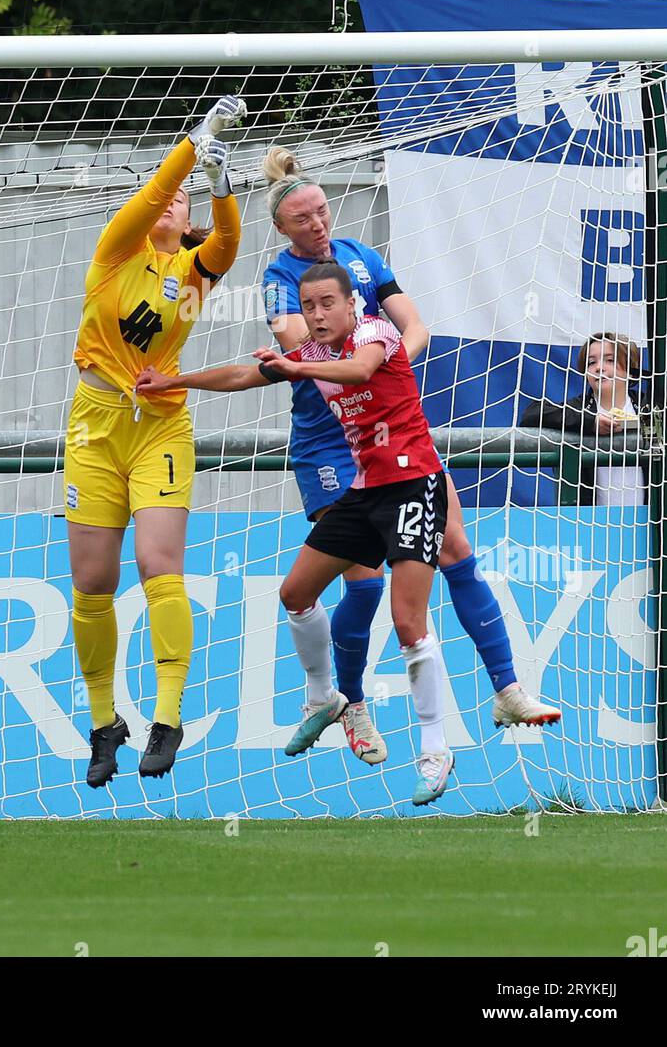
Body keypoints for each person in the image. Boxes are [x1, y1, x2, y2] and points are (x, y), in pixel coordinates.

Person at [259, 146, 560, 760]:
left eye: (321, 212)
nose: (318, 225)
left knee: (458, 552)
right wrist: (365, 362)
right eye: (303, 220)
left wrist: (391, 364)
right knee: (364, 585)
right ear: (281, 229)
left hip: (397, 432)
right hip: (331, 444)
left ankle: (508, 689)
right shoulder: (278, 281)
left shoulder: (362, 257)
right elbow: (300, 350)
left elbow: (413, 324)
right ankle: (350, 704)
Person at [137, 261, 462, 804]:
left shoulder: (375, 332)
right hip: (364, 491)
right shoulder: (308, 356)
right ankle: (322, 698)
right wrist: (176, 381)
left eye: (326, 303)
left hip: (413, 484)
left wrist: (296, 368)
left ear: (352, 302)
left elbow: (360, 372)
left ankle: (435, 747)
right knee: (295, 593)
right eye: (308, 306)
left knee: (408, 622)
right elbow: (244, 375)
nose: (316, 315)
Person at [67, 94, 246, 789]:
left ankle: (167, 717)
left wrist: (220, 179)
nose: (168, 203)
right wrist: (194, 145)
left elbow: (225, 244)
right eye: (163, 195)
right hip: (94, 426)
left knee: (157, 566)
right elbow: (150, 195)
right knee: (91, 582)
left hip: (161, 427)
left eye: (180, 199)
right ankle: (104, 720)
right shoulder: (116, 254)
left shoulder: (193, 274)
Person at [521, 333, 649, 506]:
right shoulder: (580, 407)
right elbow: (532, 414)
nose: (599, 368)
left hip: (649, 520)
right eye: (591, 362)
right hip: (591, 521)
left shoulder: (648, 406)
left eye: (610, 360)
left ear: (631, 370)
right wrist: (591, 422)